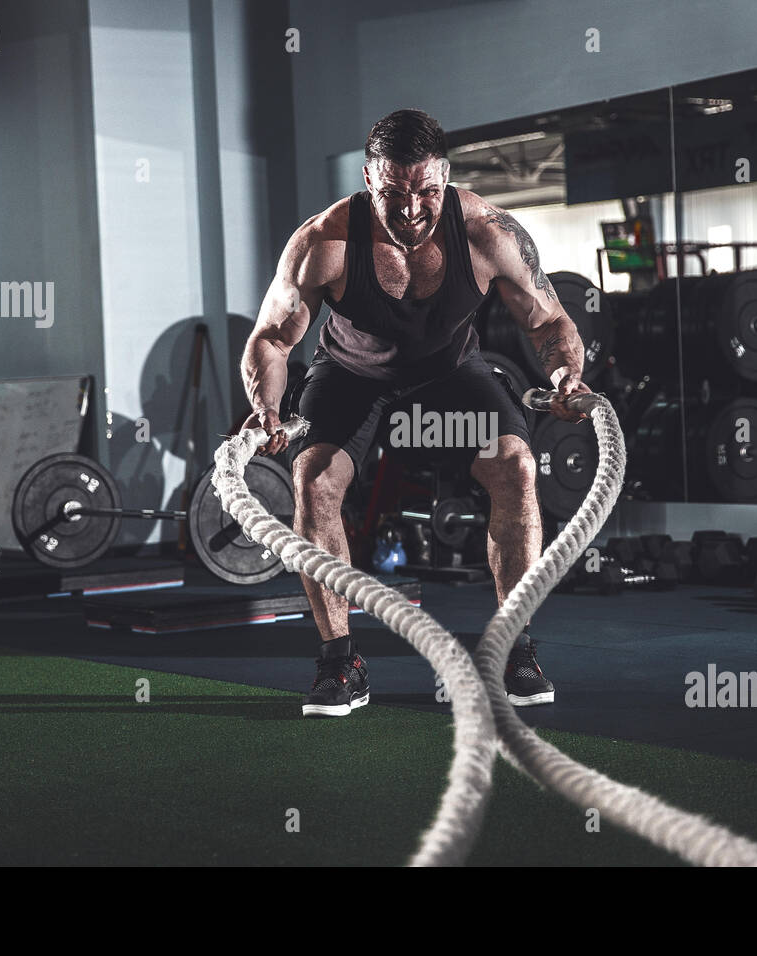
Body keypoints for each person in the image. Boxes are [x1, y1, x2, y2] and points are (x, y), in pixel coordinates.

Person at [240, 108, 589, 717]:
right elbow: (272, 337)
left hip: (449, 375)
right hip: (352, 376)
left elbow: (550, 320)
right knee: (313, 479)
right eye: (394, 193)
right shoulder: (324, 241)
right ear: (370, 181)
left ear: (446, 180)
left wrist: (564, 375)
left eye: (427, 192)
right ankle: (339, 662)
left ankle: (515, 648)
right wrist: (265, 408)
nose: (411, 209)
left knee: (517, 469)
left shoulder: (487, 231)